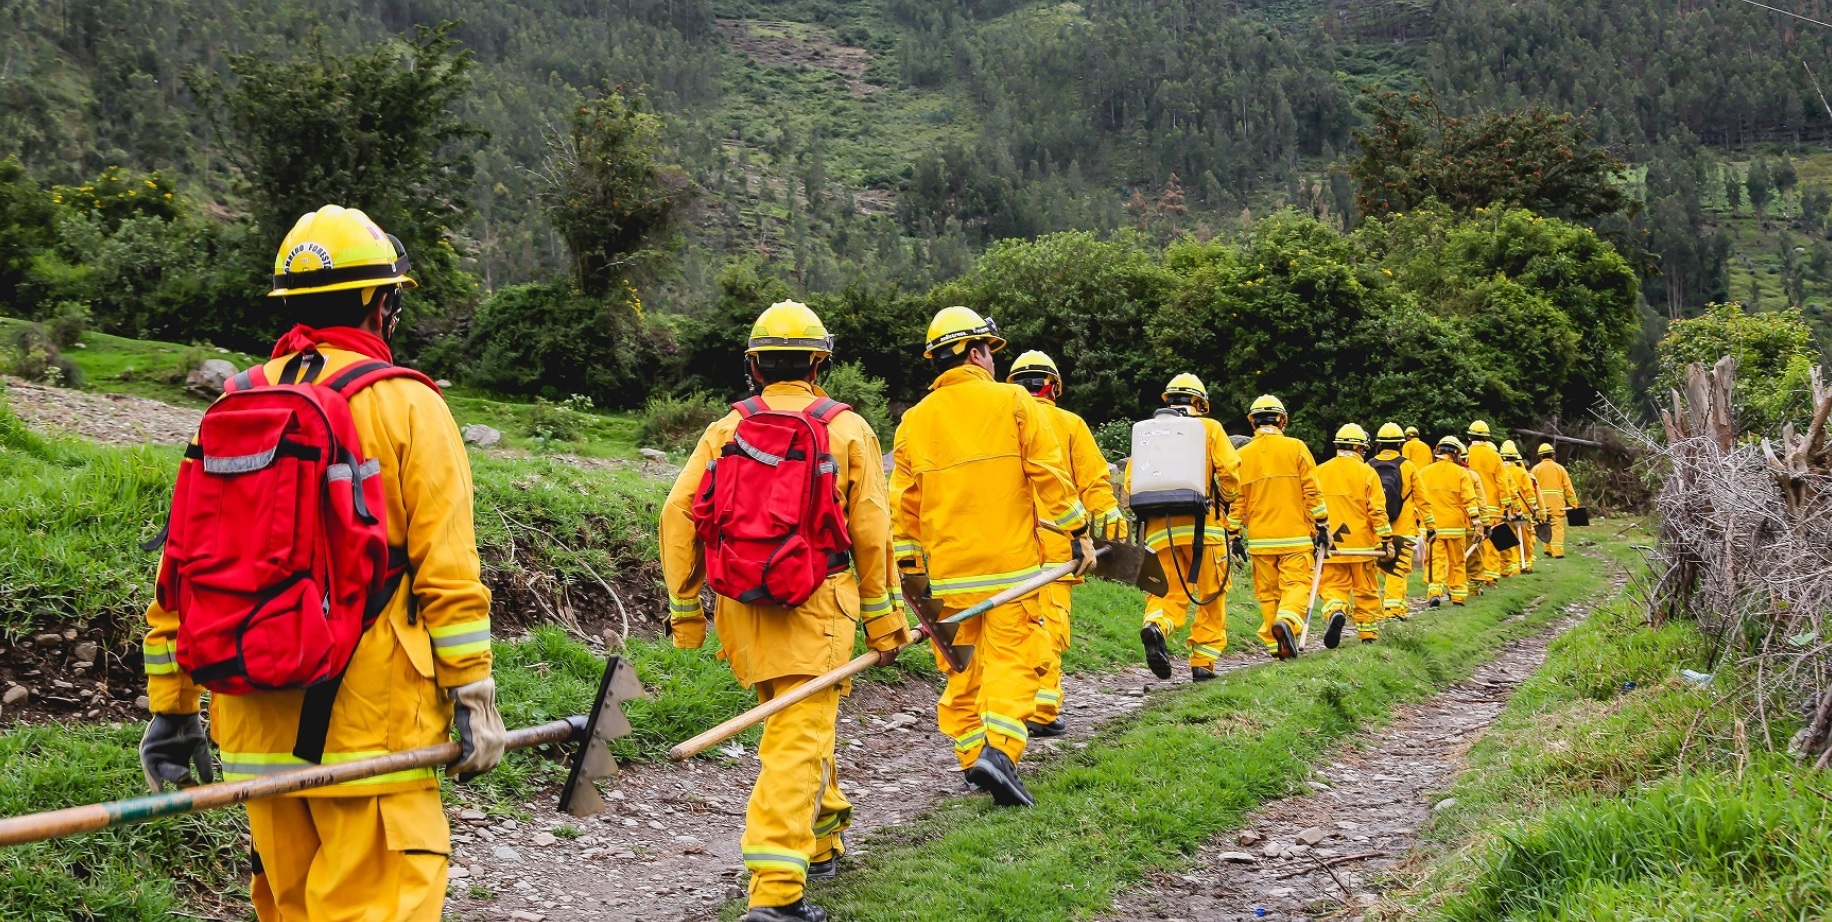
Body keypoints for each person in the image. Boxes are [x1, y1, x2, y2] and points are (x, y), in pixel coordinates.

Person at [140, 205, 503, 922]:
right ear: (379, 303)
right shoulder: (408, 403)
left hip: (253, 725)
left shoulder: (237, 403)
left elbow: (181, 570)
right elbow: (448, 571)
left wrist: (172, 709)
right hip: (371, 731)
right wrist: (473, 694)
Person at [661, 300, 912, 922]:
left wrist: (688, 613)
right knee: (797, 740)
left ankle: (821, 840)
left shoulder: (727, 428)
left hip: (743, 608)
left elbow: (678, 514)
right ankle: (775, 892)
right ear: (819, 364)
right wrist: (886, 622)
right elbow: (871, 532)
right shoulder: (847, 430)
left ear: (755, 366)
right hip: (816, 605)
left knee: (799, 724)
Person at [892, 307, 1094, 807]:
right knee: (1013, 660)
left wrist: (912, 575)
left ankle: (971, 758)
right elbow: (1048, 473)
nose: (994, 360)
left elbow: (904, 508)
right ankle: (999, 754)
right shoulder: (1013, 400)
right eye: (990, 350)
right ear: (975, 352)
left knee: (962, 670)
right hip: (1011, 572)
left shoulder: (914, 421)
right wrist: (1078, 533)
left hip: (947, 578)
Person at [1006, 350, 1125, 731]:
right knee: (1049, 627)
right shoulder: (1070, 424)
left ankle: (1009, 706)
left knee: (1010, 629)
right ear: (1053, 387)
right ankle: (1041, 709)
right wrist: (1113, 530)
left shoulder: (1000, 422)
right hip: (1059, 548)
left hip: (1006, 549)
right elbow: (1094, 482)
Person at [1128, 373, 1242, 681]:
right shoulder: (1209, 428)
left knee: (1166, 593)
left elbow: (1130, 484)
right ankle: (1203, 662)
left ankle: (1156, 625)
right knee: (1212, 596)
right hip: (1205, 530)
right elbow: (1230, 472)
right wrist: (1227, 497)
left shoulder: (1148, 432)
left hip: (1159, 532)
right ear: (1200, 403)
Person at [1226, 395, 1329, 660]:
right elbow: (1312, 491)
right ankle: (1287, 622)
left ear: (1253, 423)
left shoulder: (1241, 456)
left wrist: (1234, 536)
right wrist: (1322, 525)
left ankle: (1276, 648)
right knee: (1297, 584)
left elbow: (1237, 502)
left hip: (1260, 541)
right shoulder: (1296, 447)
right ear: (1282, 420)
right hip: (1295, 537)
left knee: (1269, 594)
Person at [1315, 424, 1393, 645]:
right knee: (1365, 590)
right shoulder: (1367, 472)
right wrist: (1386, 540)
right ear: (1361, 449)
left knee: (1332, 587)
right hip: (1362, 546)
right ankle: (1367, 634)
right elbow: (1377, 510)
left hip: (1332, 545)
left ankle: (1336, 611)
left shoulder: (1319, 471)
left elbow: (1309, 505)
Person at [1371, 423, 1434, 622]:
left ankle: (1377, 609)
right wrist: (1430, 526)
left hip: (1375, 530)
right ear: (1400, 444)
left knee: (1380, 570)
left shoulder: (1368, 465)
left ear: (1379, 444)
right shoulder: (1408, 466)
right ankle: (1394, 609)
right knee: (1397, 569)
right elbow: (1422, 499)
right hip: (1403, 527)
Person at [1418, 437, 1484, 606]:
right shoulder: (1461, 472)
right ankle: (1458, 595)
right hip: (1455, 526)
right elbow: (1470, 499)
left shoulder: (1424, 471)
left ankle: (1434, 591)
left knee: (1435, 560)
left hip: (1432, 527)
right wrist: (1477, 523)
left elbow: (1419, 498)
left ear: (1438, 451)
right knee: (1457, 561)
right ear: (1456, 454)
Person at [1464, 421, 1511, 589]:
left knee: (1472, 541)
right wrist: (1506, 505)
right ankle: (1490, 576)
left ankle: (1471, 576)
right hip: (1491, 507)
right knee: (1491, 542)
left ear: (1470, 437)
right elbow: (1502, 482)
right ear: (1486, 438)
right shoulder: (1494, 456)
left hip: (1469, 506)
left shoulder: (1465, 454)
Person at [1498, 440, 1543, 576]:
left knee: (1507, 541)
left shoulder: (1499, 471)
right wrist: (1535, 508)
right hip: (1523, 512)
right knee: (1524, 540)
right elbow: (1529, 492)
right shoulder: (1523, 473)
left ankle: (1510, 566)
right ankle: (1526, 565)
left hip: (1504, 511)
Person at [1532, 443, 1580, 558]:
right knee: (1557, 527)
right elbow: (1568, 487)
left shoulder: (1535, 469)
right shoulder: (1560, 469)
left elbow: (1530, 488)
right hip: (1557, 503)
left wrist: (1533, 505)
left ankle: (1548, 549)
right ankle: (1558, 553)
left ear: (1540, 456)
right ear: (1553, 455)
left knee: (1544, 525)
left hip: (1542, 504)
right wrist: (1574, 503)